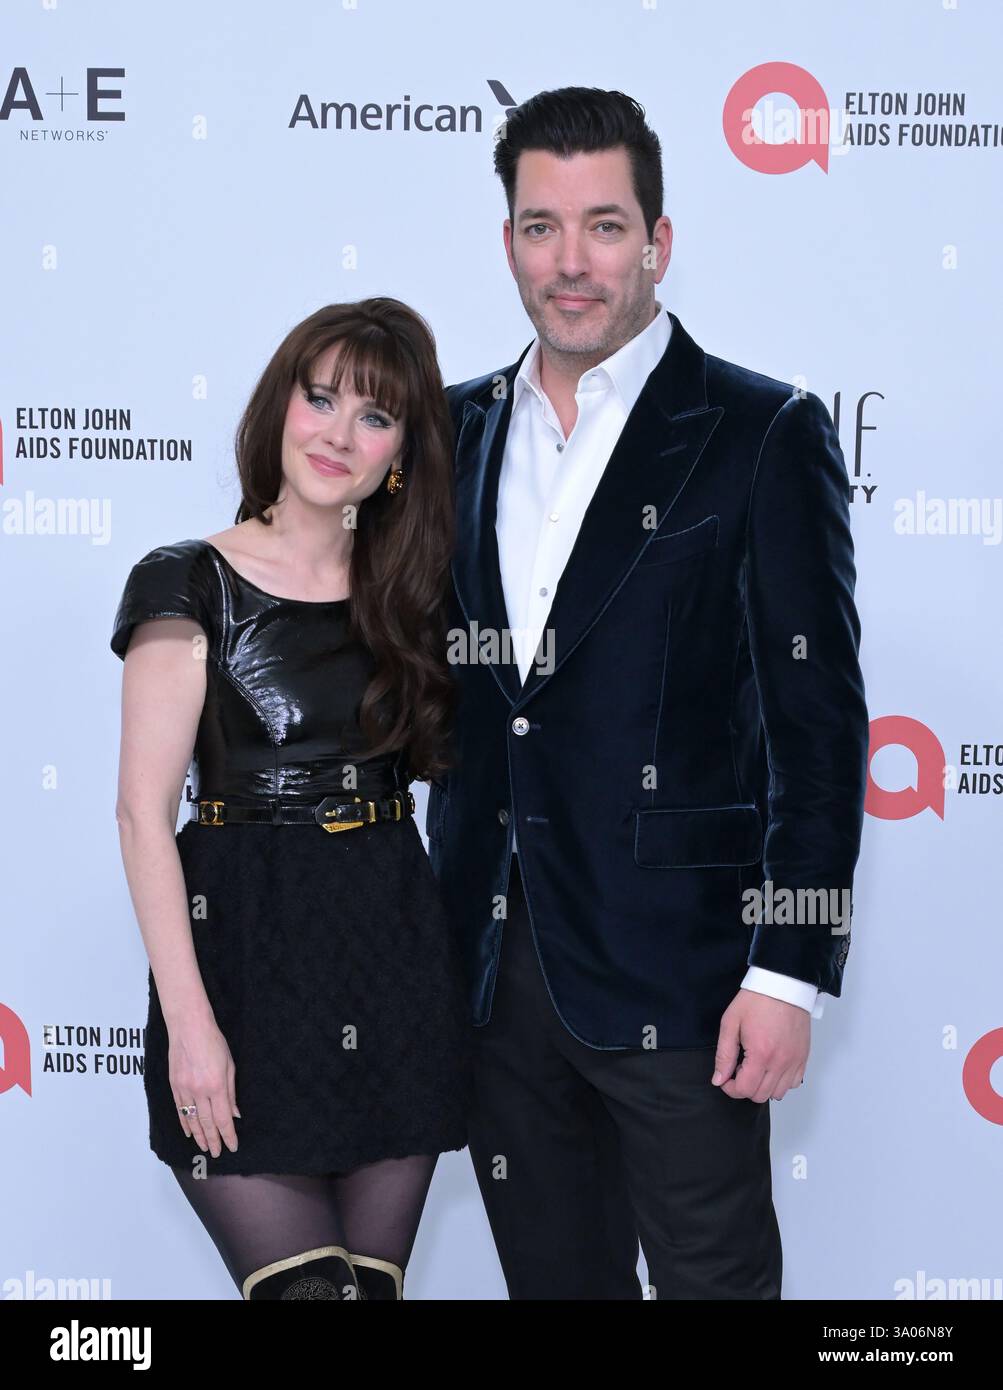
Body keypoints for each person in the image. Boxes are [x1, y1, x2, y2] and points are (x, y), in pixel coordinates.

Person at [427, 87, 869, 1299]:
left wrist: (787, 971)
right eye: (539, 227)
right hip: (493, 973)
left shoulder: (758, 430)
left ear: (658, 241)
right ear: (508, 239)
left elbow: (818, 729)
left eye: (605, 226)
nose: (570, 264)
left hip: (686, 974)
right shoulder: (448, 431)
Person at [111, 299, 471, 1301]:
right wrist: (191, 1027)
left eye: (374, 416)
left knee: (368, 1292)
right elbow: (143, 814)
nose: (337, 435)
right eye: (320, 400)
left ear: (401, 450)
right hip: (241, 962)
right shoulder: (186, 581)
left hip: (393, 964)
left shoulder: (413, 595)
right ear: (280, 407)